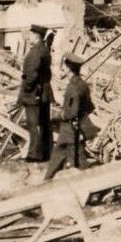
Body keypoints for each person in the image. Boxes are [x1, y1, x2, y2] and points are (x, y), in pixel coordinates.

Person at [45, 52, 97, 180]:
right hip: (76, 129)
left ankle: (45, 184)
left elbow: (71, 113)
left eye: (64, 68)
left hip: (71, 130)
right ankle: (46, 182)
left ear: (68, 69)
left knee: (78, 162)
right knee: (59, 158)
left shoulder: (72, 88)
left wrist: (57, 115)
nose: (62, 70)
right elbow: (90, 107)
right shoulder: (83, 85)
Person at [18, 24, 54, 161]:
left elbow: (31, 75)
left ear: (36, 36)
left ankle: (35, 154)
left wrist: (27, 89)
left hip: (34, 94)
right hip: (43, 92)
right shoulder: (44, 50)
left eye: (31, 35)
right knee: (44, 123)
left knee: (34, 124)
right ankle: (46, 153)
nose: (28, 37)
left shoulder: (35, 52)